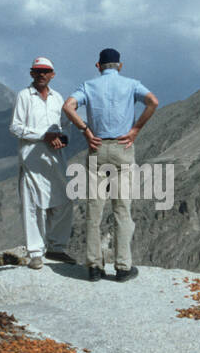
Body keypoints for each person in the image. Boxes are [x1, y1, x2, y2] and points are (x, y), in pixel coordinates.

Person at [62, 48, 158, 282]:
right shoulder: (132, 84)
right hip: (123, 148)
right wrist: (135, 129)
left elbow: (68, 106)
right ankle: (123, 267)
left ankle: (94, 267)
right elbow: (153, 102)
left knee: (94, 210)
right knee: (122, 210)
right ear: (120, 66)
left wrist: (85, 130)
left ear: (98, 66)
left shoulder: (88, 86)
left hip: (97, 148)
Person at [9, 56, 75, 270]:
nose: (41, 74)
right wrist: (42, 135)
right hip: (32, 160)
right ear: (31, 73)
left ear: (52, 74)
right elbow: (16, 127)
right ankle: (36, 252)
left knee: (64, 200)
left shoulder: (57, 98)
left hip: (55, 159)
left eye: (45, 71)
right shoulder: (24, 96)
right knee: (33, 205)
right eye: (37, 71)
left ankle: (56, 247)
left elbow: (65, 125)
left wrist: (62, 138)